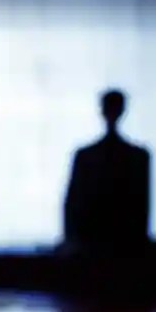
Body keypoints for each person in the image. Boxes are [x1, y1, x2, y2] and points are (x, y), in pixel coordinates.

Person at [62, 89, 150, 256]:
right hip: (110, 247)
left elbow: (71, 203)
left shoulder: (86, 156)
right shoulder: (138, 157)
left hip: (104, 247)